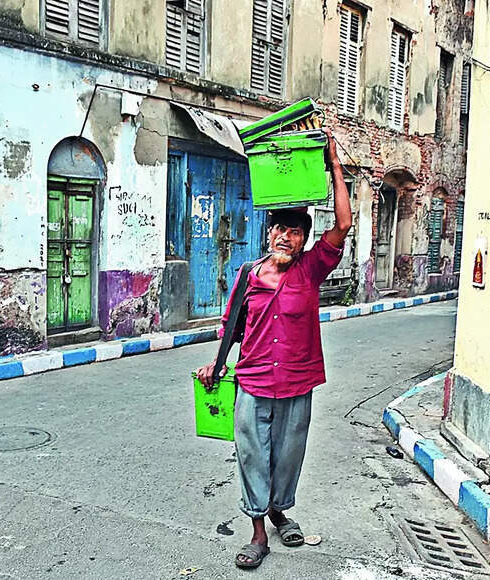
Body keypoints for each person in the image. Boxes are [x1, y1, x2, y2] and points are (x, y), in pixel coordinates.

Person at [195, 128, 352, 569]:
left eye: (296, 232)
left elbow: (342, 224)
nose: (287, 237)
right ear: (269, 235)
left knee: (287, 455)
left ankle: (281, 510)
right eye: (281, 229)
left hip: (298, 382)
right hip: (254, 381)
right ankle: (259, 531)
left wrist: (334, 164)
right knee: (251, 455)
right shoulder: (248, 274)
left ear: (304, 240)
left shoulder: (311, 269)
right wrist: (217, 363)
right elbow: (231, 327)